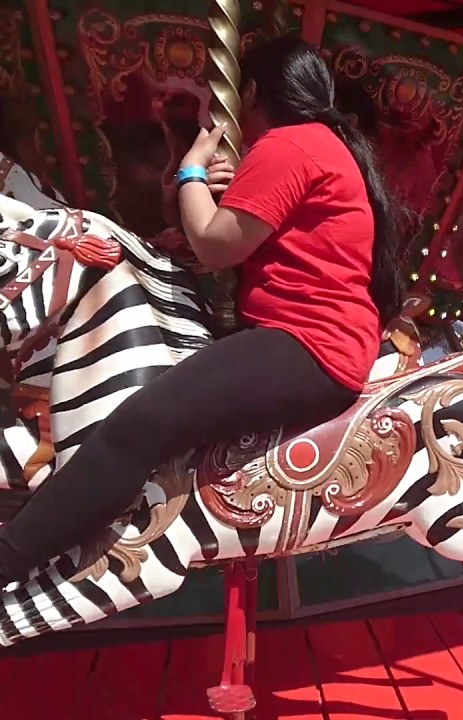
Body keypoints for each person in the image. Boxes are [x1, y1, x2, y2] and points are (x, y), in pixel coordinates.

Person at [0, 35, 406, 587]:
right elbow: (221, 246)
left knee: (139, 424)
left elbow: (217, 245)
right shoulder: (321, 145)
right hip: (315, 337)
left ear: (255, 91)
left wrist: (193, 170)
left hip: (307, 343)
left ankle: (10, 557)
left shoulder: (289, 145)